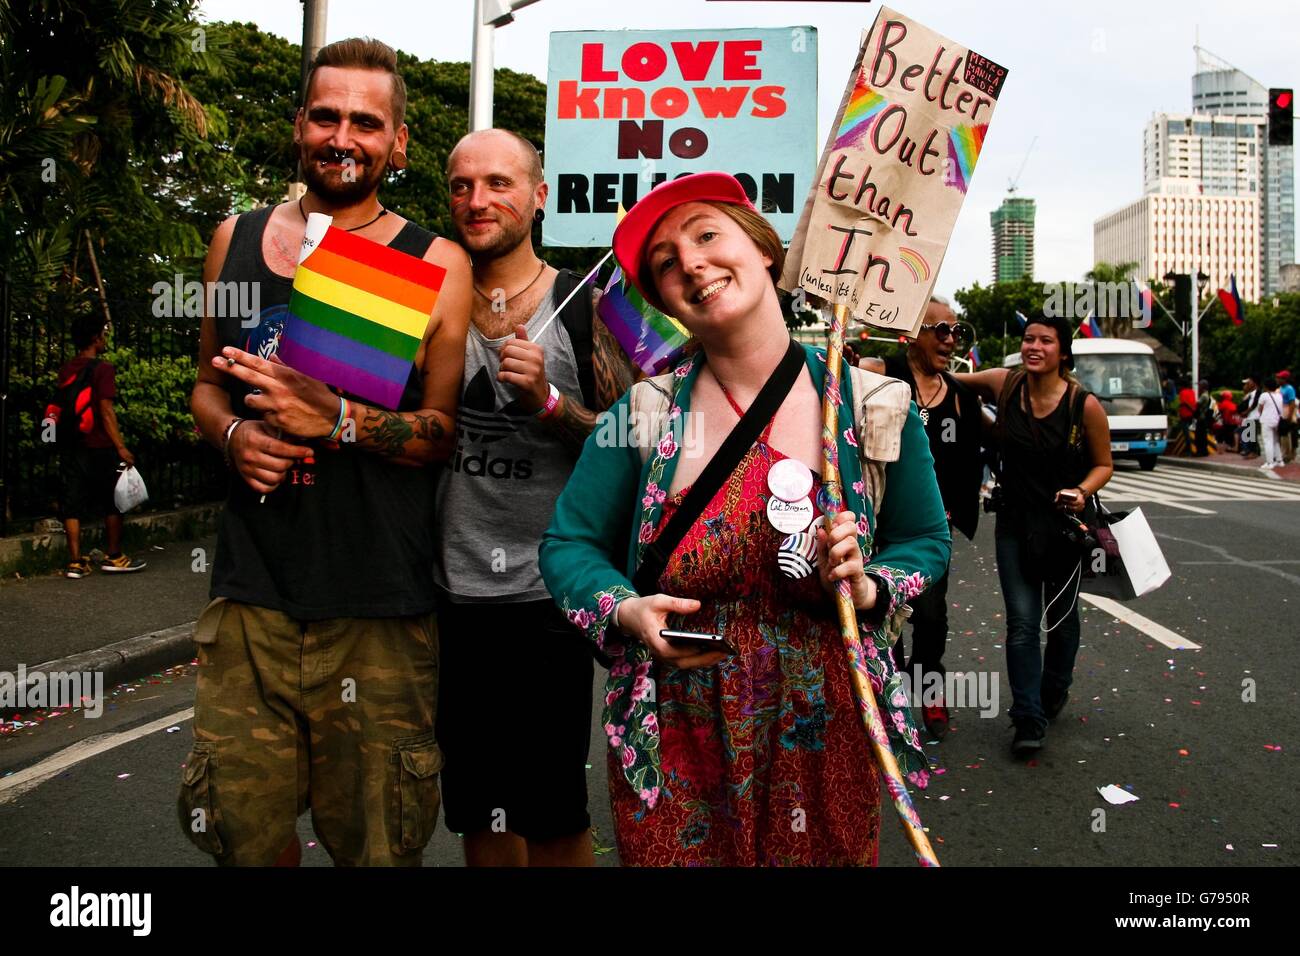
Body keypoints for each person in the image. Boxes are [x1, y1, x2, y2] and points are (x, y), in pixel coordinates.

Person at [539, 172, 951, 866]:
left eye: (706, 234)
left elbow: (924, 541)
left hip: (827, 735)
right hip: (678, 738)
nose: (691, 264)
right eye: (665, 264)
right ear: (665, 299)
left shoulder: (871, 404)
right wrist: (628, 612)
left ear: (763, 248)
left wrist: (872, 584)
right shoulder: (641, 417)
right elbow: (568, 545)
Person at [180, 38, 472, 866]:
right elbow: (204, 387)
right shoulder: (233, 239)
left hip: (378, 606)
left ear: (399, 143)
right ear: (299, 124)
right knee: (243, 839)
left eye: (367, 122)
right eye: (327, 115)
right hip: (250, 600)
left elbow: (441, 432)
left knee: (377, 848)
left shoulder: (434, 262)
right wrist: (235, 436)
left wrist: (338, 418)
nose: (344, 137)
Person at [435, 128, 636, 867]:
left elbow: (632, 447)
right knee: (478, 810)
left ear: (540, 195)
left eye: (499, 182)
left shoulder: (583, 306)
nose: (478, 199)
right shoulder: (431, 299)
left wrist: (550, 402)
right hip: (451, 595)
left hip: (546, 596)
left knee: (551, 811)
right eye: (461, 185)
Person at [954, 316, 1113, 755]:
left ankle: (1054, 690)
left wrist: (1082, 492)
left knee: (1061, 622)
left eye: (1046, 340)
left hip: (1064, 529)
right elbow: (949, 382)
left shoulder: (1084, 405)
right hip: (1013, 525)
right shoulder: (1004, 385)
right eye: (1029, 338)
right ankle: (1028, 718)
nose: (1034, 346)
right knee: (1023, 624)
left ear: (1064, 353)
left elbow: (1104, 463)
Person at [857, 296, 983, 740]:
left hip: (930, 527)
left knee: (930, 614)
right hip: (877, 520)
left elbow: (981, 449)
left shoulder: (963, 394)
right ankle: (888, 690)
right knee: (881, 606)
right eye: (941, 330)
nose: (951, 340)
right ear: (913, 333)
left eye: (956, 331)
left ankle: (929, 690)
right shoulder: (880, 377)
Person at [51, 316, 146, 578]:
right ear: (95, 339)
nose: (105, 339)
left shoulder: (66, 368)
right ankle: (114, 556)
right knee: (112, 501)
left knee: (72, 502)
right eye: (103, 334)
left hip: (72, 445)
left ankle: (75, 562)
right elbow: (106, 411)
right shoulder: (103, 369)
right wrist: (121, 447)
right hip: (100, 444)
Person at [1256, 377, 1285, 469]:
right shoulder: (1279, 395)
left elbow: (1259, 408)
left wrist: (1261, 415)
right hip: (1277, 421)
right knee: (1276, 441)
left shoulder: (1264, 395)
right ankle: (1279, 461)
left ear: (1266, 386)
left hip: (1266, 420)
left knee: (1267, 441)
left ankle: (1269, 462)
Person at [1193, 379, 1217, 457]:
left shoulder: (1204, 395)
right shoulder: (1208, 395)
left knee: (1199, 436)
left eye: (1199, 385)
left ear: (1203, 386)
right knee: (1203, 435)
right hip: (1204, 418)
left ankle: (1200, 451)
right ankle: (1204, 451)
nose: (1198, 387)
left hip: (1201, 418)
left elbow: (1197, 404)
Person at [1239, 376, 1260, 458]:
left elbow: (1255, 403)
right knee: (1247, 435)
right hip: (1249, 417)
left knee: (1252, 437)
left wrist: (1247, 411)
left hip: (1254, 416)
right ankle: (1249, 451)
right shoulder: (1250, 393)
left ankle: (1253, 452)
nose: (1248, 384)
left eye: (1250, 382)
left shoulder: (1258, 392)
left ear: (1255, 383)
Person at [1278, 370, 1297, 463]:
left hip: (1287, 412)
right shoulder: (1280, 388)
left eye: (1280, 378)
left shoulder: (1289, 389)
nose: (1278, 379)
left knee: (1286, 434)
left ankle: (1288, 454)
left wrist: (1290, 415)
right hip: (1281, 413)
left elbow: (1292, 403)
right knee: (1282, 434)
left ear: (1285, 379)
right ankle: (1284, 453)